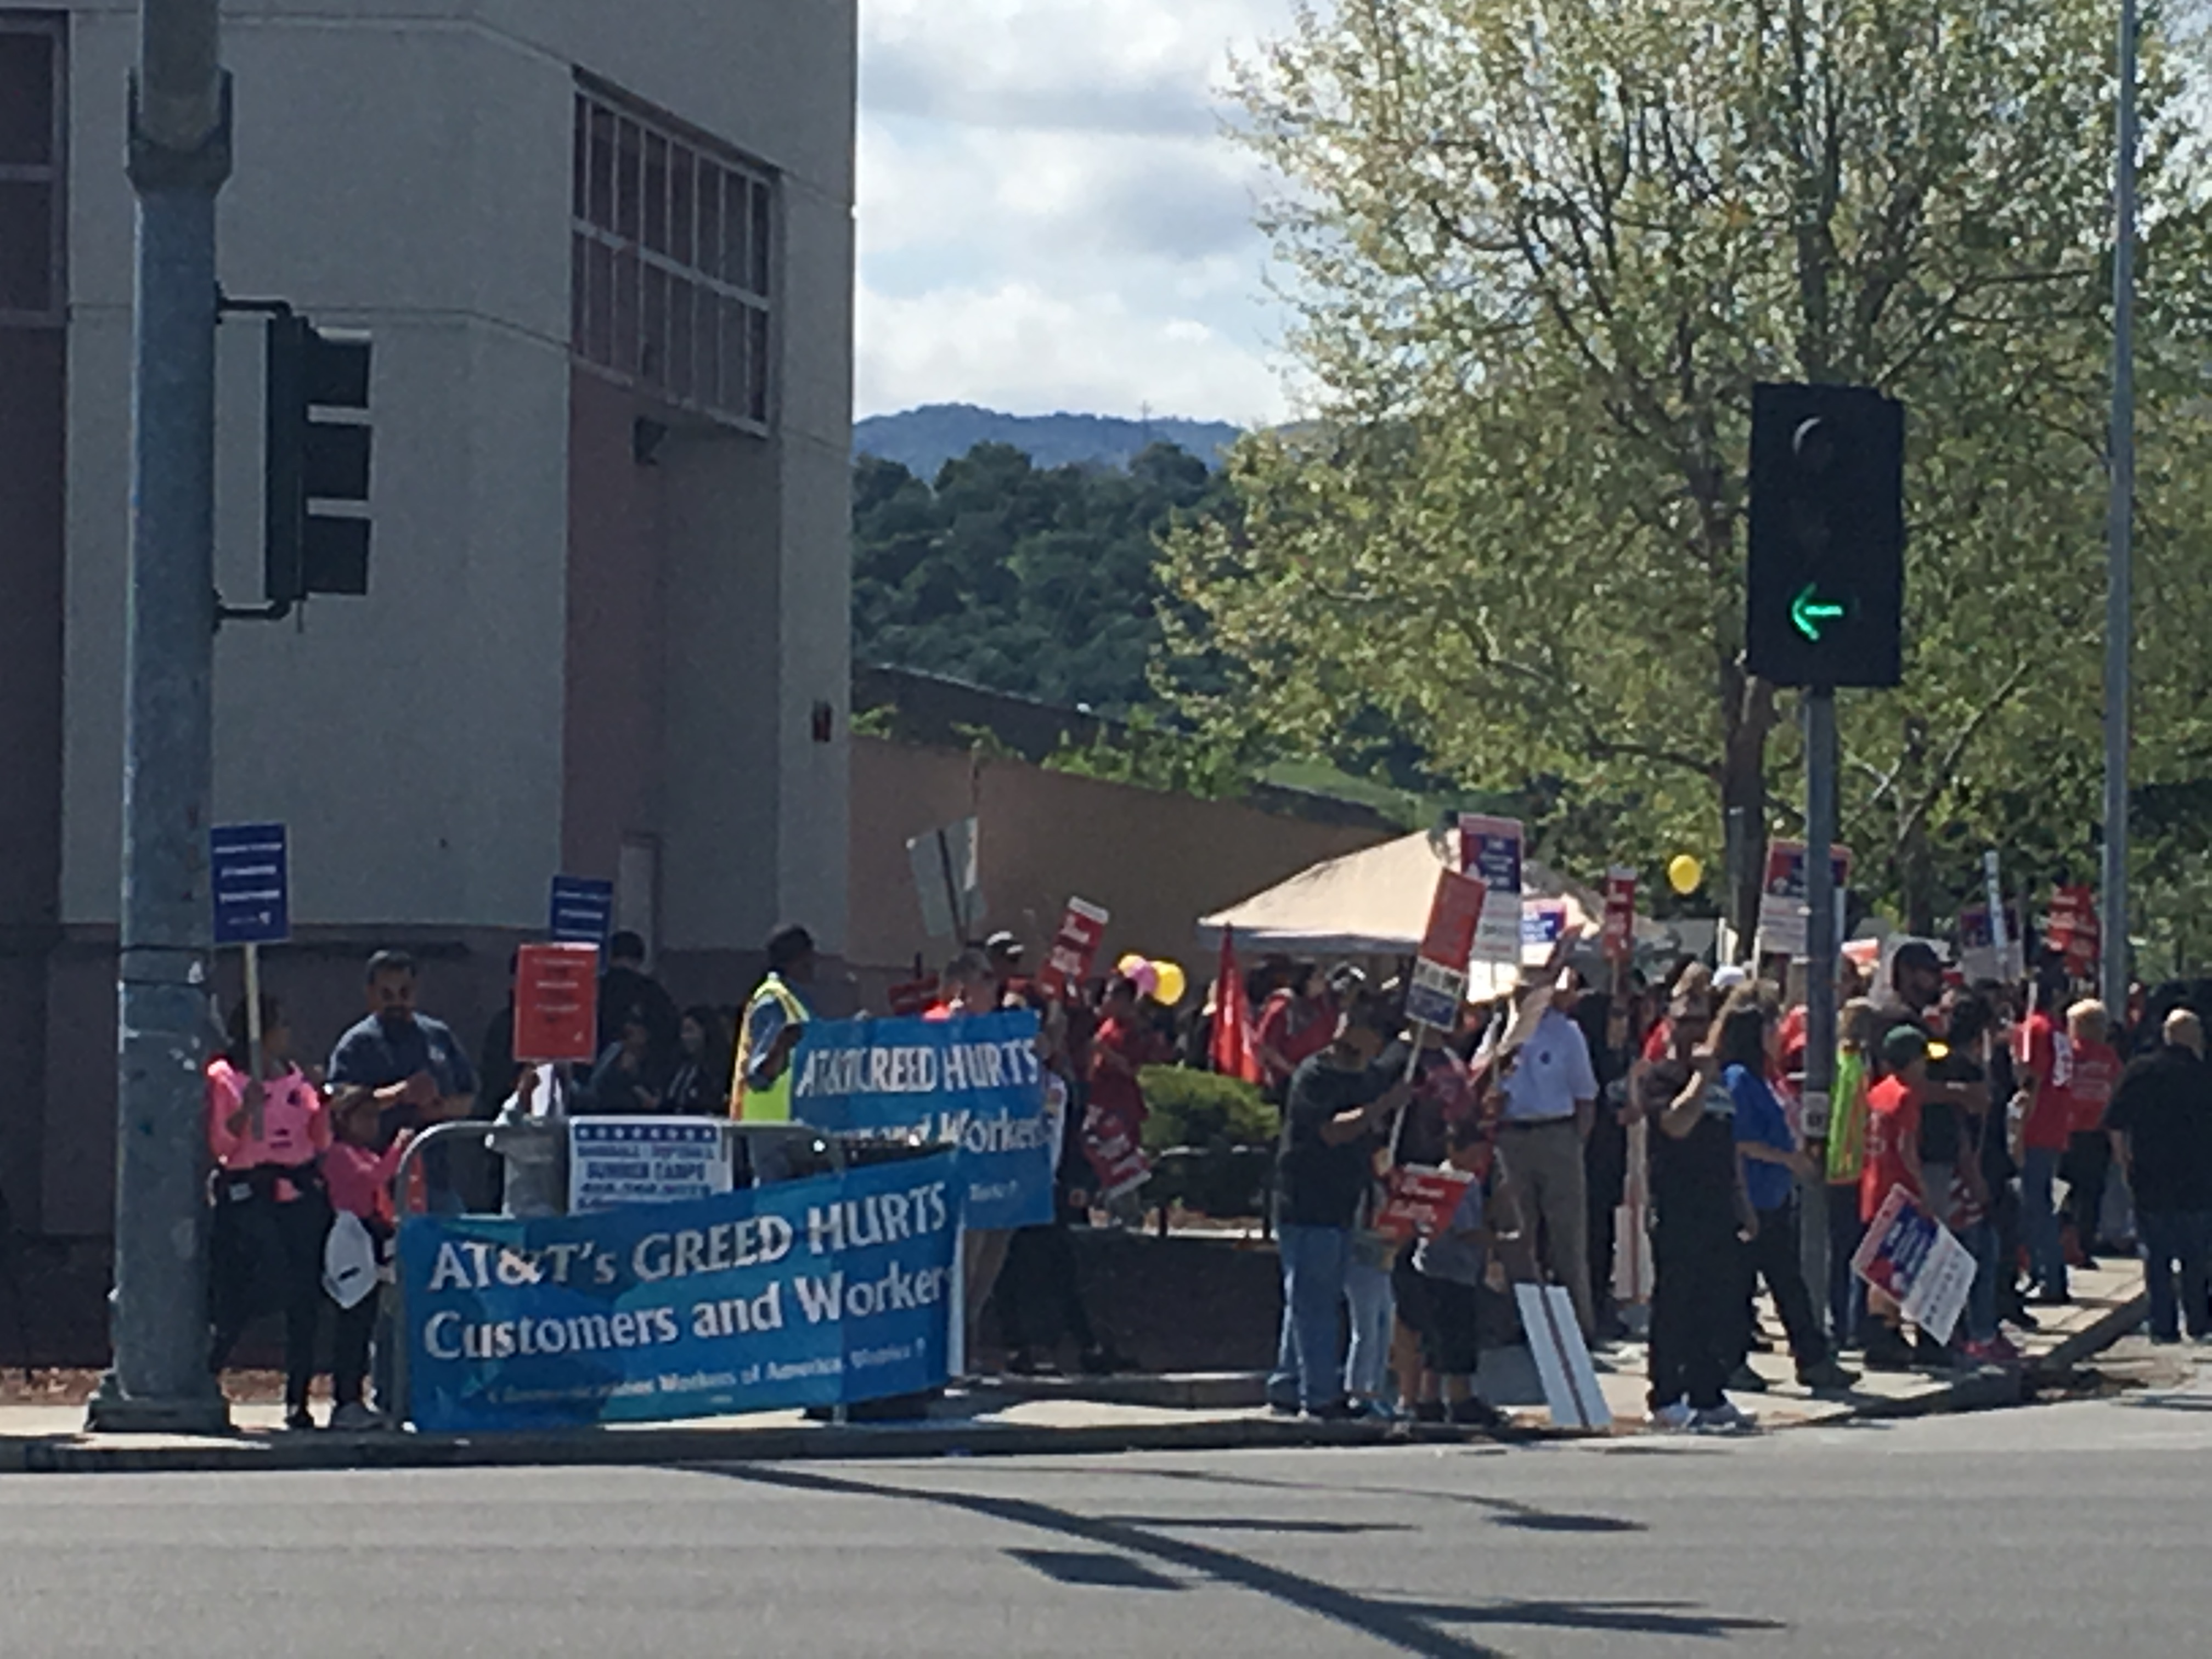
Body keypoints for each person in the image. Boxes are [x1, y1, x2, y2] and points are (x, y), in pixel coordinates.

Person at [1267, 997, 1411, 1419]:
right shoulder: (1315, 1076)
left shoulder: (1366, 1077)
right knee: (1316, 1301)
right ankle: (1320, 1395)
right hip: (1307, 1200)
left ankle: (1288, 1383)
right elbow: (1331, 1130)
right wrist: (1383, 1105)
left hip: (1345, 1201)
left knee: (1307, 1300)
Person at [206, 996, 332, 1432]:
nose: (289, 1033)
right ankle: (209, 1373)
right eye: (282, 1025)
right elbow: (222, 1145)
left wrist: (323, 1103)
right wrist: (247, 1110)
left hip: (296, 1190)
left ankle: (297, 1400)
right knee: (252, 1287)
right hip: (250, 1191)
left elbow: (318, 1139)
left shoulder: (294, 1076)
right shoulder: (227, 1078)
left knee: (305, 1298)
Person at [1720, 996, 1854, 1390]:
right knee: (1740, 1285)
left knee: (1787, 1282)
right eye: (1768, 1029)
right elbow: (1741, 1143)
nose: (1776, 1035)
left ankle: (1812, 1359)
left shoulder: (1767, 1077)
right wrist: (1786, 1159)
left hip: (1776, 1196)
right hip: (1753, 1196)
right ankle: (1732, 1362)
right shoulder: (1739, 1080)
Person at [1643, 988, 1757, 1431]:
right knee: (1676, 1304)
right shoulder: (1660, 1077)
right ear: (1670, 1025)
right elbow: (1675, 1124)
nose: (1694, 1030)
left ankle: (1708, 1393)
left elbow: (1729, 1147)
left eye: (1701, 1021)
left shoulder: (1723, 1084)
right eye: (1685, 1021)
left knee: (1717, 1303)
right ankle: (1667, 1395)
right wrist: (1700, 1079)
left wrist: (1742, 1200)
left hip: (1717, 1207)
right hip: (1677, 1206)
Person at [1486, 968, 1600, 1337]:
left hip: (1557, 1133)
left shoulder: (1565, 1032)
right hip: (1510, 1137)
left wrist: (1574, 1142)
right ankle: (1520, 1323)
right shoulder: (1497, 1031)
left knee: (1568, 1235)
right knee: (1517, 1236)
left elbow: (1586, 1096)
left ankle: (1578, 1324)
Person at [325, 951, 478, 1211]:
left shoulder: (437, 1036)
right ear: (371, 994)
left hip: (436, 1177)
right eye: (387, 994)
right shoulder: (357, 1045)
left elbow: (469, 1097)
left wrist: (439, 1107)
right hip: (379, 1179)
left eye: (405, 992)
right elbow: (340, 1106)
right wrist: (399, 1094)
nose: (397, 1002)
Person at [1392, 1116, 1506, 1427]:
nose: (1479, 1161)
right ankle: (1459, 1397)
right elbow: (1465, 1230)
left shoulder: (1440, 1180)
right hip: (1453, 1271)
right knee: (1458, 1337)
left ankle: (1430, 1399)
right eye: (1475, 1153)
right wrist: (1501, 1241)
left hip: (1430, 1268)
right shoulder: (1459, 1185)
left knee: (1435, 1338)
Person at [2106, 1008, 2212, 1344]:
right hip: (2198, 1178)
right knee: (2196, 1256)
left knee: (2158, 1256)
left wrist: (2124, 1161)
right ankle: (2198, 1320)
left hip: (2150, 1175)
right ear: (2194, 1038)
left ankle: (2163, 1325)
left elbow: (2116, 1122)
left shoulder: (2140, 1071)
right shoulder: (2203, 1075)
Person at [321, 1091, 409, 1429]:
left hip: (371, 1242)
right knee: (351, 1324)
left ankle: (357, 1398)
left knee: (367, 1322)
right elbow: (372, 1178)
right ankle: (344, 1402)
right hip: (348, 1243)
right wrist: (400, 1148)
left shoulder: (364, 1153)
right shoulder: (340, 1154)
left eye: (375, 1117)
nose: (372, 1125)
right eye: (363, 1117)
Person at [1860, 1025, 1933, 1369]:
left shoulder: (1877, 1092)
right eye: (1921, 1060)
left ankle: (1883, 1331)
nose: (1924, 1068)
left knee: (1882, 1266)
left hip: (1873, 1186)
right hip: (1897, 1188)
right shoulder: (1906, 1096)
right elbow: (1906, 1148)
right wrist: (1922, 1190)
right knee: (1897, 1267)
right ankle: (1884, 1337)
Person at [730, 927, 819, 1185]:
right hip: (772, 1127)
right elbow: (759, 1074)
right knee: (775, 1206)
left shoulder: (794, 999)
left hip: (794, 1124)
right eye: (810, 958)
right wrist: (781, 1046)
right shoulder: (773, 1001)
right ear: (798, 959)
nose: (814, 965)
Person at [2012, 958, 2078, 1305]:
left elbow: (2030, 1082)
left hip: (2037, 1127)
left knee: (2035, 1208)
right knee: (2042, 1205)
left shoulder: (2034, 1030)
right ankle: (2051, 1275)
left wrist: (2019, 1132)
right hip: (2055, 1126)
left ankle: (2048, 1277)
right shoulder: (2059, 1032)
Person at [1574, 989, 1636, 1344]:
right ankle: (1591, 1306)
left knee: (1604, 1236)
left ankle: (1601, 1300)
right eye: (1614, 1015)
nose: (1621, 1023)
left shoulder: (1619, 1058)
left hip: (1611, 1158)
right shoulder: (1590, 1057)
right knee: (1590, 1238)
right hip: (1588, 1158)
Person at [1823, 998, 1880, 1350]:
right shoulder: (1853, 1064)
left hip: (1847, 1166)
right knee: (1851, 1253)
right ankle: (1846, 1323)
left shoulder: (1843, 1061)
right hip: (1850, 1169)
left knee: (1848, 1254)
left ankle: (1847, 1322)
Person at [2061, 1000, 2121, 1268]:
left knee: (2062, 1195)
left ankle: (2064, 1245)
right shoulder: (2109, 1058)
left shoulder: (2067, 1053)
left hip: (2065, 1132)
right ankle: (2083, 1247)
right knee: (2090, 1195)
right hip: (2096, 1134)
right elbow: (2117, 1094)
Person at [1255, 963, 1336, 1101]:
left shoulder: (1321, 1005)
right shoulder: (1282, 1006)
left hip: (1317, 1075)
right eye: (1319, 977)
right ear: (1306, 981)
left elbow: (1329, 1036)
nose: (1325, 982)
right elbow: (1266, 1046)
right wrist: (1292, 1070)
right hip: (1285, 1079)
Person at [597, 930, 680, 1058]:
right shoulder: (651, 991)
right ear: (640, 959)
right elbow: (669, 1029)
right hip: (642, 1066)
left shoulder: (596, 989)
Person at [586, 1002, 671, 1114]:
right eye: (628, 1022)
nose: (628, 1028)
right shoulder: (614, 1052)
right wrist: (618, 1072)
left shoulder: (662, 1062)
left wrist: (633, 1079)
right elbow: (594, 1090)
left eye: (637, 1023)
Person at [663, 1006, 731, 1116]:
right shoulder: (680, 1067)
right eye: (682, 1031)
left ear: (706, 1032)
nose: (684, 1037)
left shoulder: (722, 1069)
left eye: (690, 1031)